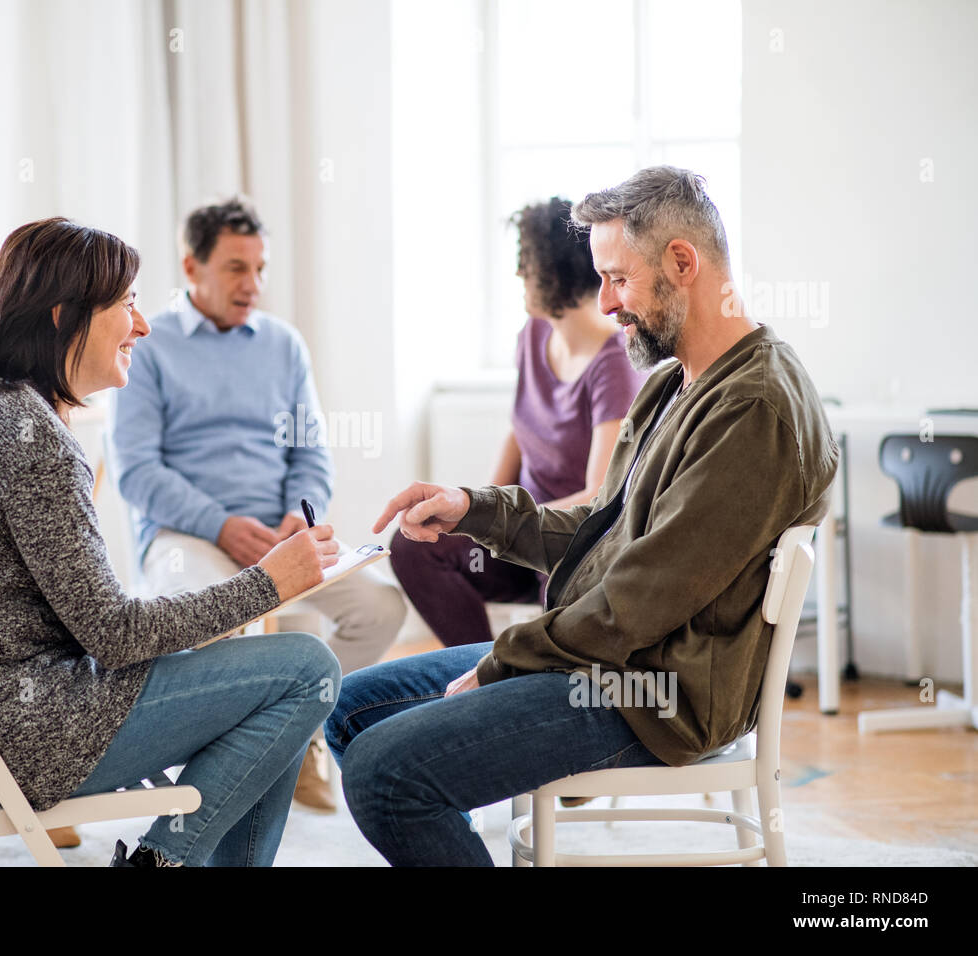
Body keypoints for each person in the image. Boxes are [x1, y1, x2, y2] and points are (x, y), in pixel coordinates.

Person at [325, 166, 839, 866]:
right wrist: (473, 509)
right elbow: (603, 530)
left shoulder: (753, 408)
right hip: (608, 661)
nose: (605, 304)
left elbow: (641, 598)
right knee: (345, 707)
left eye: (617, 279)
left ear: (681, 264)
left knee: (386, 776)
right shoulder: (672, 384)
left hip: (658, 694)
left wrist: (509, 660)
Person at [0, 216, 340, 867]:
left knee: (272, 682)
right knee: (306, 671)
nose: (144, 325)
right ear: (64, 316)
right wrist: (269, 584)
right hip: (14, 737)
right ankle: (163, 860)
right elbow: (115, 635)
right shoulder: (26, 434)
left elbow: (89, 621)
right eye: (127, 304)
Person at [111, 197, 405, 810]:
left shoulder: (283, 344)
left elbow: (312, 453)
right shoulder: (147, 342)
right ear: (192, 268)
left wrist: (304, 515)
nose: (254, 285)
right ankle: (242, 756)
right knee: (197, 618)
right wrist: (220, 525)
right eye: (237, 268)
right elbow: (138, 471)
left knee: (380, 606)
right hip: (188, 536)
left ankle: (294, 737)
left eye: (260, 268)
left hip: (281, 533)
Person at [388, 198, 647, 647]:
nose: (518, 275)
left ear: (554, 271)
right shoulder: (532, 335)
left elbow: (599, 497)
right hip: (517, 536)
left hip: (566, 541)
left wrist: (503, 521)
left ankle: (505, 684)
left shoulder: (614, 364)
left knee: (563, 603)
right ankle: (475, 670)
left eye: (524, 264)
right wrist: (480, 511)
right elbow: (520, 429)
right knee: (413, 548)